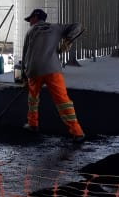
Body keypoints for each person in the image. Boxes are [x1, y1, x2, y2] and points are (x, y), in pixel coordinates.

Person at [21, 8, 86, 143]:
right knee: (63, 101)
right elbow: (78, 26)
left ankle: (32, 125)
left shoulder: (30, 31)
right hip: (53, 69)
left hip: (34, 69)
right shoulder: (56, 28)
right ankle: (77, 132)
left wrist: (24, 76)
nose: (29, 23)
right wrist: (68, 40)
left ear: (36, 18)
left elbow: (25, 54)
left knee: (33, 99)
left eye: (30, 19)